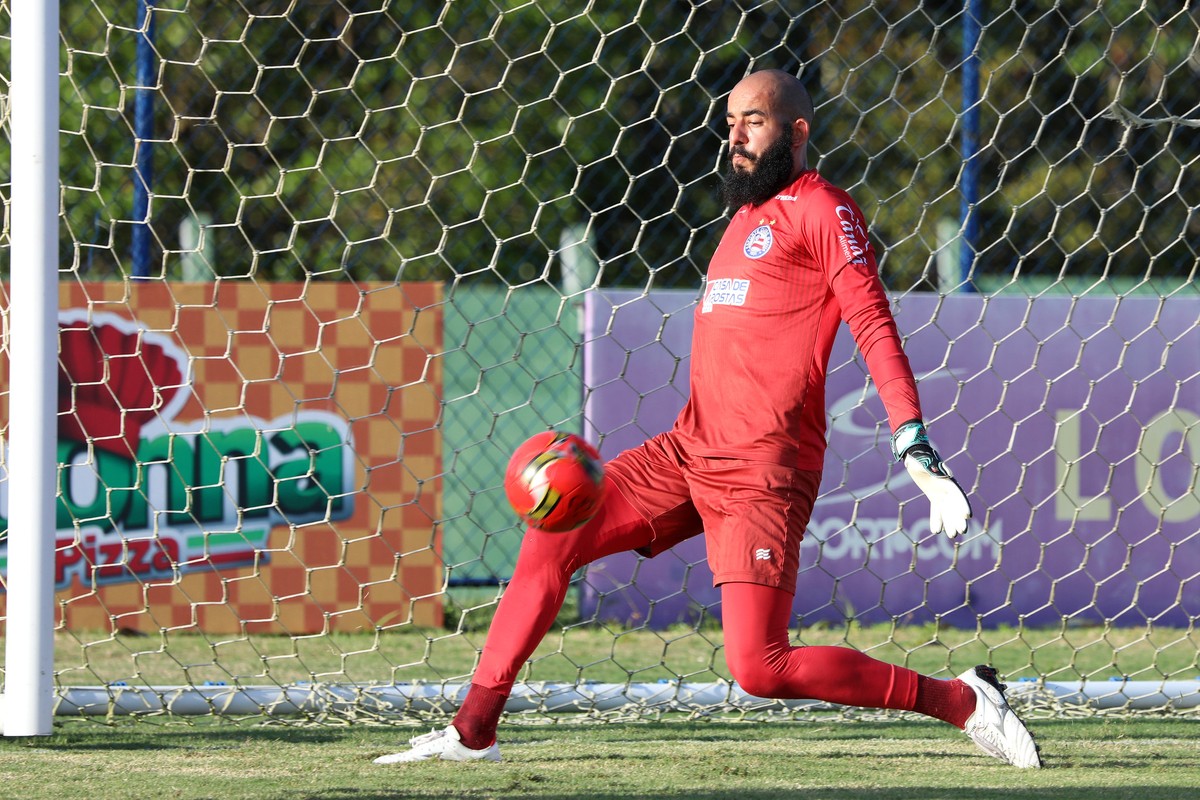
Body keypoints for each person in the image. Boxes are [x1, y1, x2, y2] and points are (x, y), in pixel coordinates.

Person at [375, 69, 1042, 769]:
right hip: (688, 453)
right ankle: (473, 731)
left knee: (760, 668)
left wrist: (914, 445)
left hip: (762, 473)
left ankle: (964, 702)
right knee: (552, 535)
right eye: (730, 123)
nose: (736, 136)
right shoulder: (744, 216)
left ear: (798, 131)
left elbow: (873, 321)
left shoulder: (823, 207)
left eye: (753, 121)